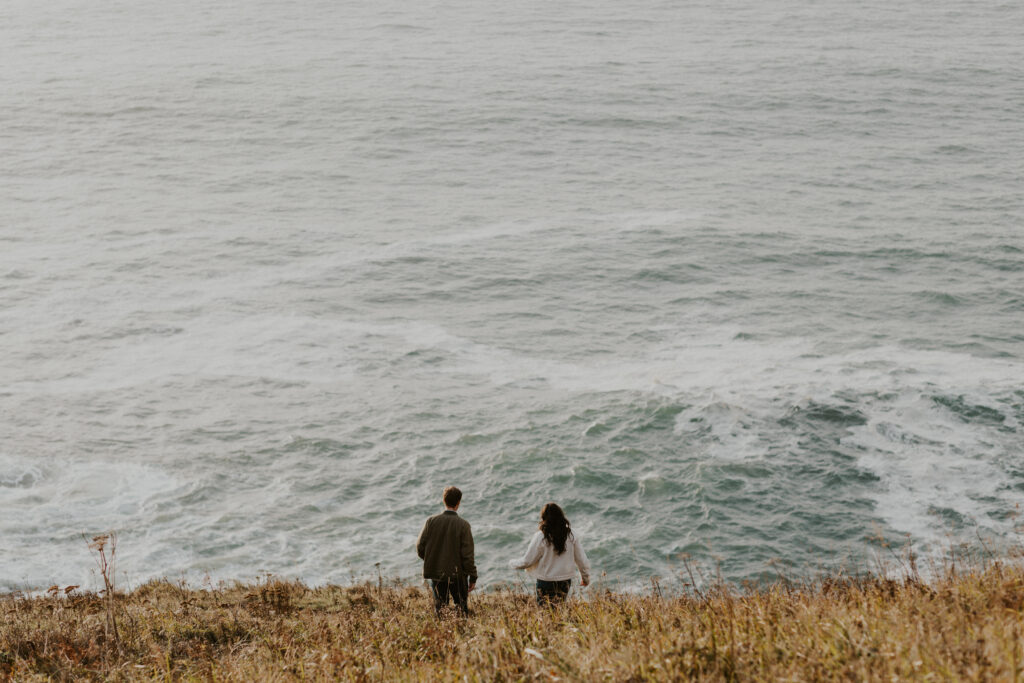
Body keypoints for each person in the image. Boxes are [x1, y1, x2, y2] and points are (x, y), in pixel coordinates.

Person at [509, 502, 591, 604]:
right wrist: (585, 578)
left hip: (546, 581)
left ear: (544, 518)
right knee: (559, 611)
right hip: (565, 581)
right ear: (561, 516)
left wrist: (512, 563)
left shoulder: (541, 536)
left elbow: (527, 561)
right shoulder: (571, 534)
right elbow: (582, 560)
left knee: (544, 613)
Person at [416, 486, 477, 616]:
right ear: (458, 503)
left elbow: (420, 547)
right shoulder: (463, 525)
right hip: (458, 576)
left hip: (436, 574)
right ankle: (461, 634)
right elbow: (467, 556)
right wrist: (473, 576)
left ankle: (441, 634)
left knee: (440, 610)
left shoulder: (431, 521)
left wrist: (433, 560)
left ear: (444, 501)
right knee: (461, 610)